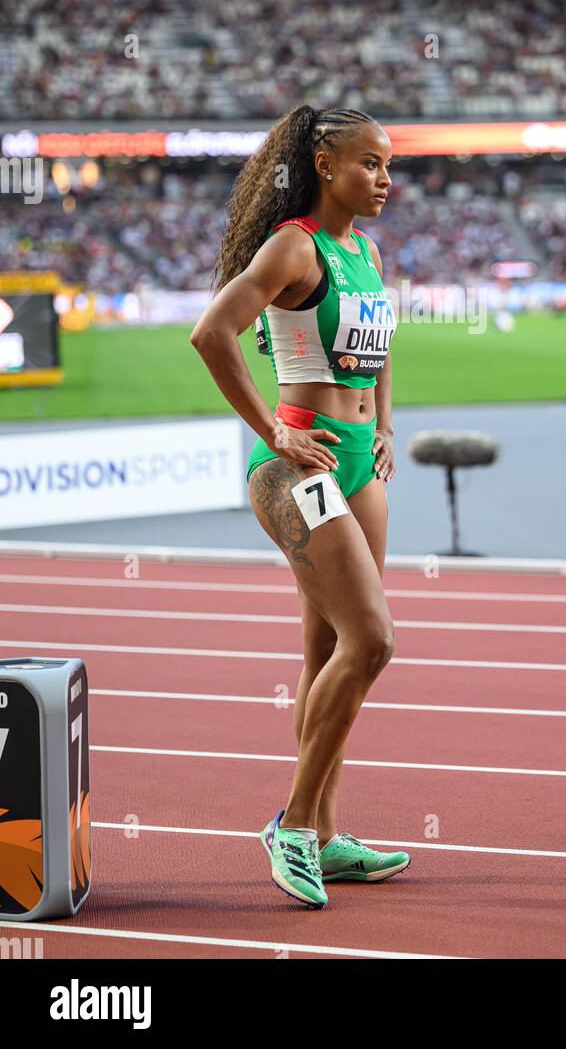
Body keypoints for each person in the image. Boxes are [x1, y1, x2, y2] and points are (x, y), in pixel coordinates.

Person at [190, 103, 410, 908]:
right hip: (298, 465)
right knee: (374, 640)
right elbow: (212, 333)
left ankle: (323, 834)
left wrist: (385, 422)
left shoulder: (366, 251)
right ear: (325, 165)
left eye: (389, 165)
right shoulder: (295, 245)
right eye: (370, 164)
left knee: (328, 654)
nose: (385, 179)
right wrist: (274, 434)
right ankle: (290, 824)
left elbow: (380, 347)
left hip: (359, 465)